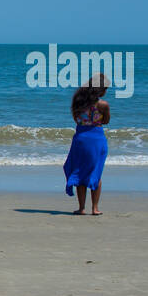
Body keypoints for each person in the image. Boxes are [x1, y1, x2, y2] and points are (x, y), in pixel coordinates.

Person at [63, 74, 110, 215]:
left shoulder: (78, 103)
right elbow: (106, 121)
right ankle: (95, 208)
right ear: (100, 90)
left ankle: (81, 208)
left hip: (81, 139)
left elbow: (75, 119)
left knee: (80, 172)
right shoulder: (103, 105)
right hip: (96, 139)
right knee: (96, 172)